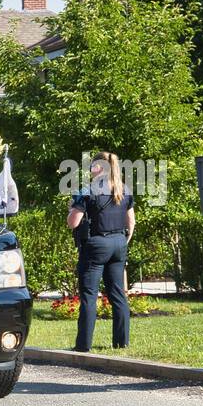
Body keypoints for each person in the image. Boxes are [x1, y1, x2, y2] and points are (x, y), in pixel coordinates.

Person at [68, 151, 134, 352]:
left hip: (96, 245)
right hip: (118, 243)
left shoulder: (87, 190)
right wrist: (122, 241)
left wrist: (71, 208)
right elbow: (131, 222)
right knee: (118, 294)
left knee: (89, 295)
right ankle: (121, 343)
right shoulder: (124, 189)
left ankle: (83, 345)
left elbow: (73, 223)